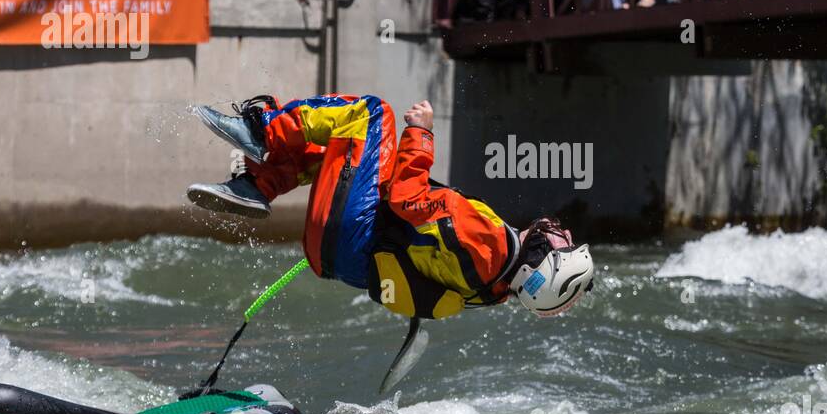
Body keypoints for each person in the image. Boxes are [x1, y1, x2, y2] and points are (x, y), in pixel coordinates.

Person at [185, 96, 595, 321]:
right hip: (340, 259)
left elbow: (407, 199)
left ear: (540, 263)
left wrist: (421, 134)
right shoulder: (492, 291)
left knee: (370, 114)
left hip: (353, 230)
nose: (563, 234)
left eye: (563, 245)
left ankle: (262, 130)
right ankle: (257, 185)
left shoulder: (487, 242)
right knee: (345, 147)